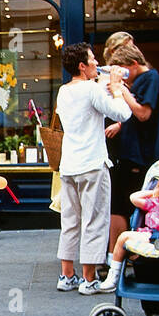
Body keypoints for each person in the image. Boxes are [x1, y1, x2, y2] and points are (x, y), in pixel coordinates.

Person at [53, 42, 133, 294]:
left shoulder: (64, 91)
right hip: (92, 163)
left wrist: (103, 85)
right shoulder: (91, 89)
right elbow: (122, 114)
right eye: (93, 59)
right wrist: (117, 89)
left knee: (70, 221)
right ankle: (89, 280)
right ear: (82, 66)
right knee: (95, 220)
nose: (97, 63)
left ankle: (67, 276)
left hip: (69, 165)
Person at [106, 41, 159, 252]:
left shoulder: (149, 77)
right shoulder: (144, 80)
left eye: (124, 71)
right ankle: (120, 254)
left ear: (133, 63)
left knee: (122, 204)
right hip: (137, 155)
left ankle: (120, 254)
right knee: (121, 204)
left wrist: (120, 90)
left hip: (141, 156)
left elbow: (143, 113)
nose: (123, 76)